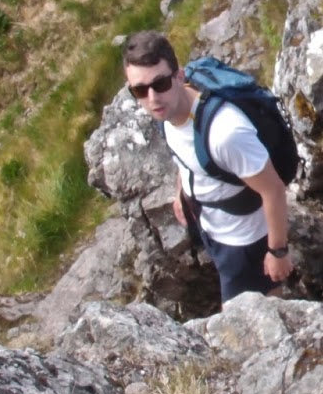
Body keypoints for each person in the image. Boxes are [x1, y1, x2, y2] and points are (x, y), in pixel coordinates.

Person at [121, 31, 294, 304]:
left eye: (161, 83)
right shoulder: (166, 112)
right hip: (210, 223)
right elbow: (184, 152)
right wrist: (182, 190)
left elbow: (273, 190)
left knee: (252, 315)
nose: (152, 98)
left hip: (243, 241)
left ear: (179, 77)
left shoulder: (225, 133)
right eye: (140, 90)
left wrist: (277, 252)